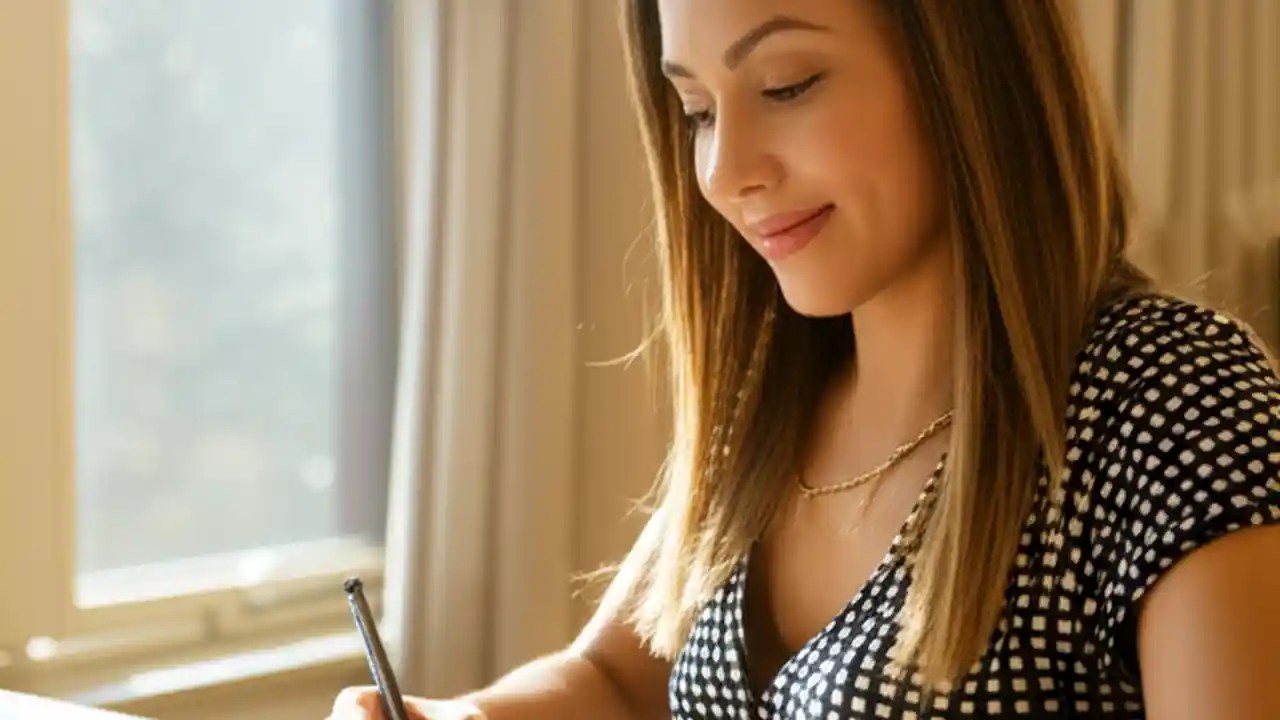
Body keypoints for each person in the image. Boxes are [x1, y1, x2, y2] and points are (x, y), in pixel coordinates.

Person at [329, 0, 1280, 717]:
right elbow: (616, 683)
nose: (725, 169)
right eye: (696, 109)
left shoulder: (1176, 402)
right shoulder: (774, 413)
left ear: (966, 66)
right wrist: (454, 718)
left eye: (787, 86)